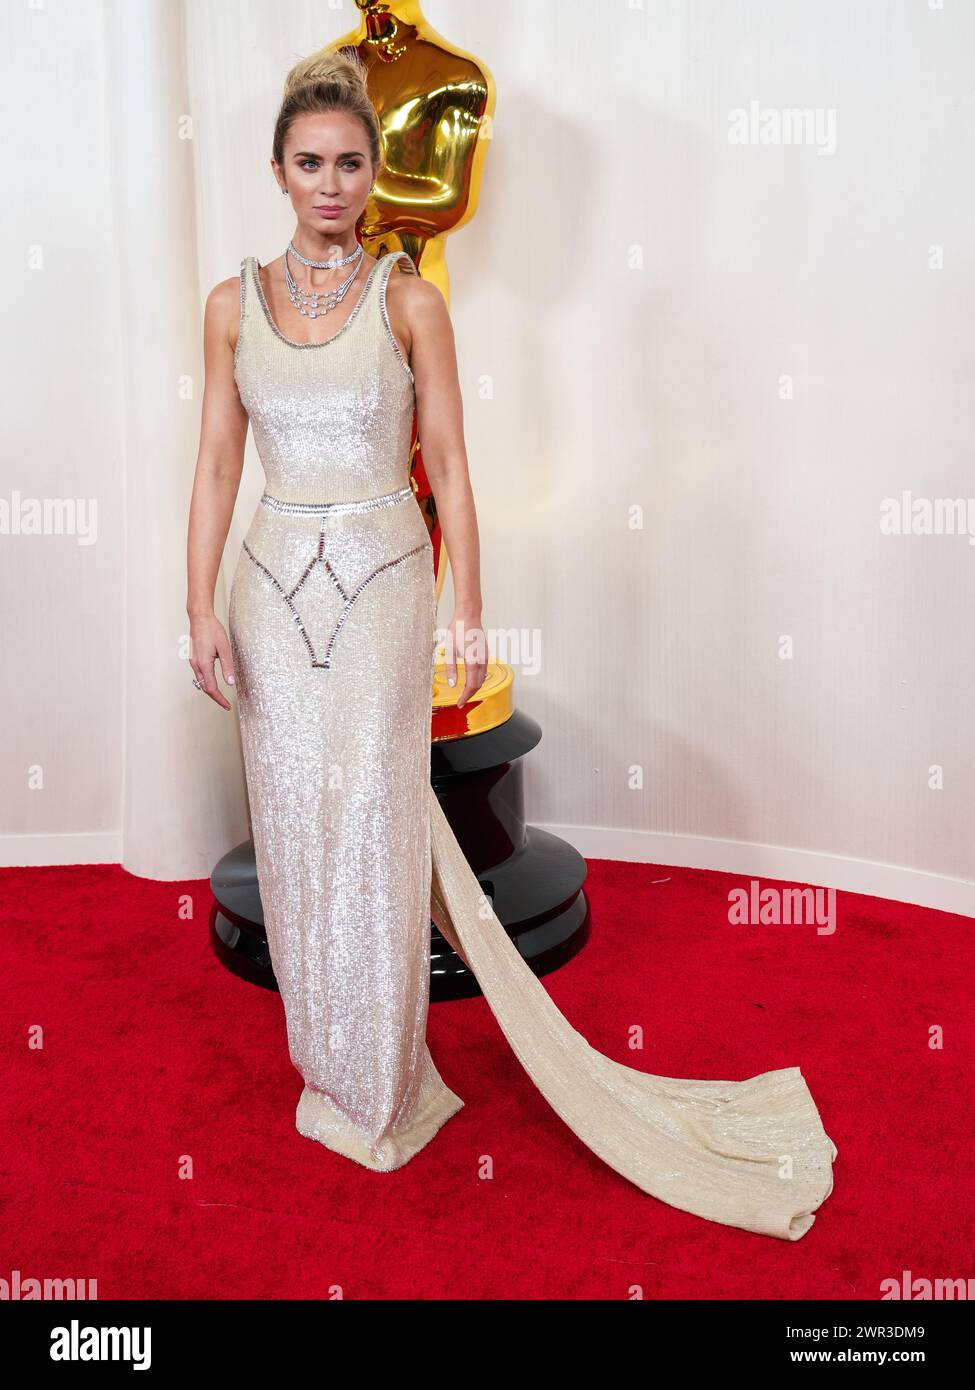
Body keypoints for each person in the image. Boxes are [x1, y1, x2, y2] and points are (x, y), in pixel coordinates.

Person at [185, 50, 836, 1241]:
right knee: (293, 828)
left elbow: (455, 467)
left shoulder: (409, 298)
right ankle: (328, 1068)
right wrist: (195, 606)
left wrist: (466, 611)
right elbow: (219, 464)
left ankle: (381, 1085)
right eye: (309, 163)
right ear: (277, 170)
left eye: (351, 163)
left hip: (386, 581)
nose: (331, 183)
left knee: (376, 830)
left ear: (380, 172)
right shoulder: (232, 303)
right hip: (267, 594)